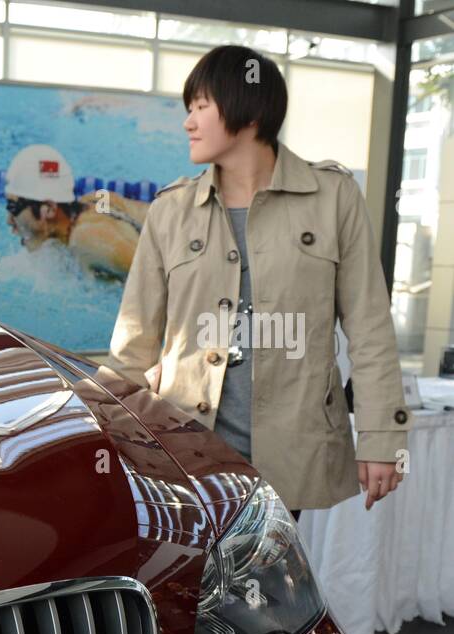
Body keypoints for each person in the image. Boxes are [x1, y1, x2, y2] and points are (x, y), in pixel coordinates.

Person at [110, 45, 408, 514]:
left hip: (290, 456)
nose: (188, 122)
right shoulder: (171, 210)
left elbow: (370, 327)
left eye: (201, 107)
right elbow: (135, 340)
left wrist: (382, 437)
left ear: (248, 113)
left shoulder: (333, 198)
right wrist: (113, 439)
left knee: (269, 584)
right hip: (186, 455)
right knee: (189, 585)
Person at [4, 143, 147, 279]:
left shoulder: (88, 239)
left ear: (49, 209)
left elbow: (159, 276)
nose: (9, 220)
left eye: (13, 208)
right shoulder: (94, 200)